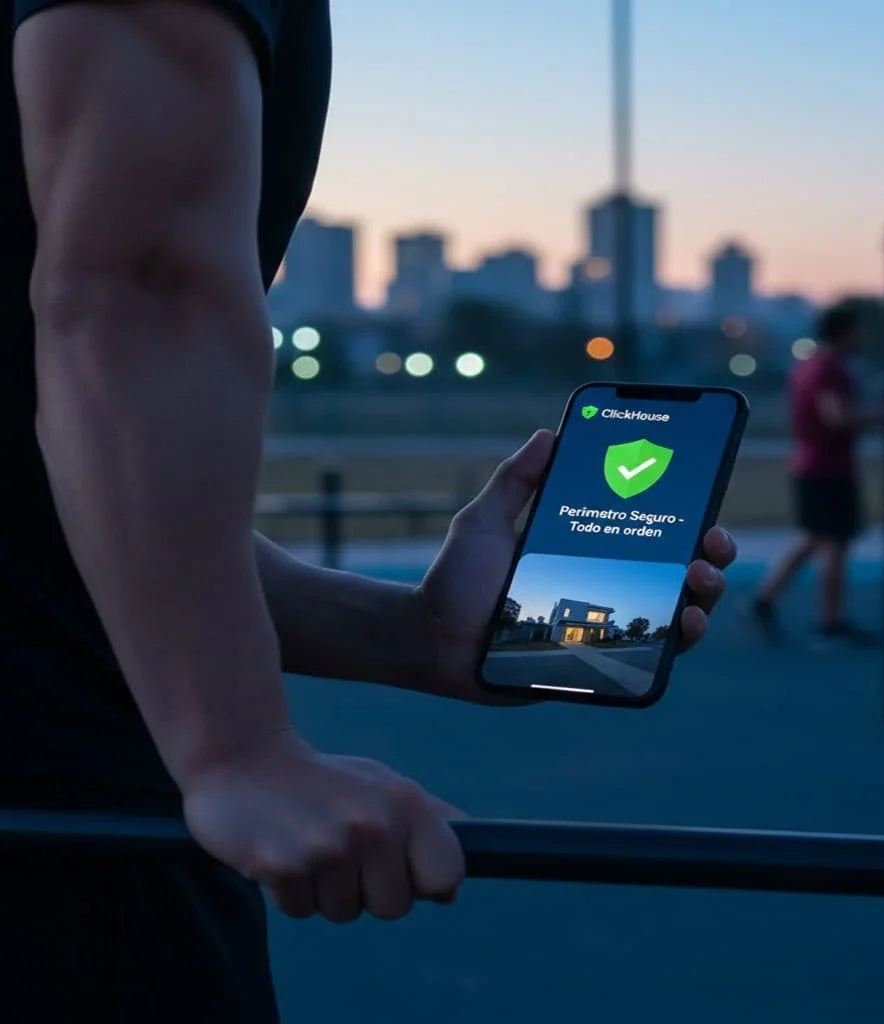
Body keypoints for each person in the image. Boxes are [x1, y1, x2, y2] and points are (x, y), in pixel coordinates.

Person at [1, 3, 736, 1020]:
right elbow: (141, 289)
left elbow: (37, 497)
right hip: (56, 824)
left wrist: (408, 634)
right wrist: (234, 746)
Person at [752, 301, 884, 645]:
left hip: (812, 465)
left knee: (814, 538)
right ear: (845, 331)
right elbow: (835, 417)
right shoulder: (828, 369)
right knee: (834, 544)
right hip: (827, 468)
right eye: (858, 329)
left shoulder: (808, 367)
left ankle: (765, 601)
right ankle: (829, 622)